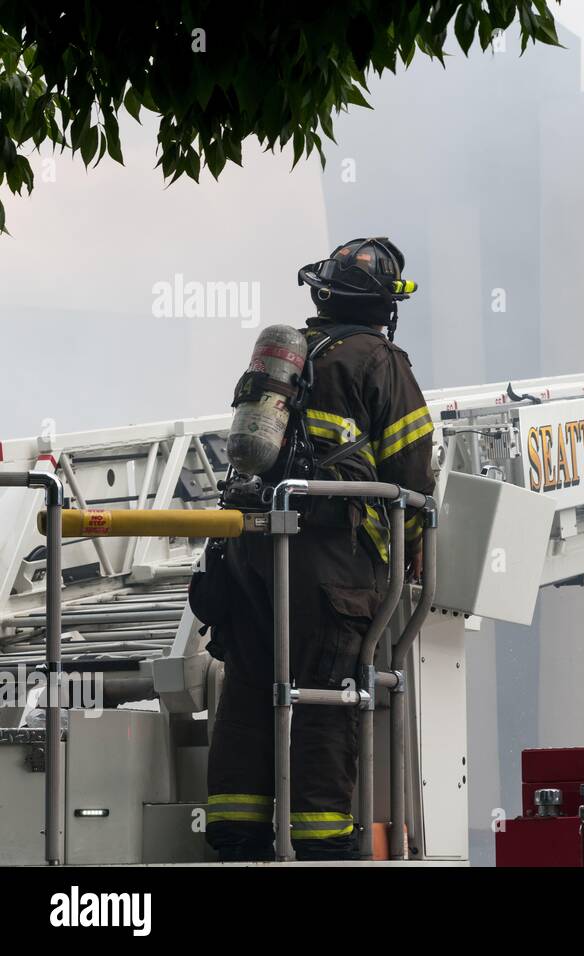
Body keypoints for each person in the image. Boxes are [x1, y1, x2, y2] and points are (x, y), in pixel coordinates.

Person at [203, 237, 436, 861]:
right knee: (327, 695)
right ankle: (323, 846)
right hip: (327, 559)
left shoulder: (290, 359)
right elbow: (411, 475)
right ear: (385, 306)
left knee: (251, 686)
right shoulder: (379, 361)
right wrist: (413, 545)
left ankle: (233, 835)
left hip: (251, 548)